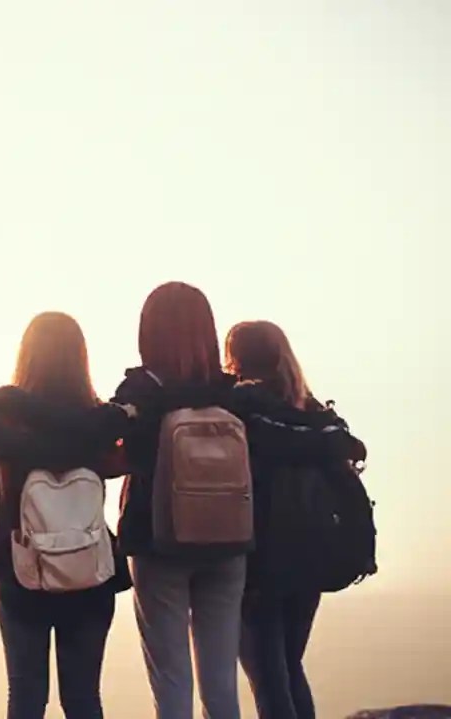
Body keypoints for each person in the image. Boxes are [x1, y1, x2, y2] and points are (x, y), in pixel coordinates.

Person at [0, 312, 133, 719]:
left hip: (19, 563)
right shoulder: (100, 420)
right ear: (80, 358)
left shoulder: (5, 414)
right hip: (89, 566)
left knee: (26, 696)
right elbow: (121, 461)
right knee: (83, 698)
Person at [109, 282, 247, 719]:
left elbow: (117, 452)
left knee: (171, 680)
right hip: (228, 542)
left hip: (158, 539)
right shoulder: (232, 393)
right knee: (221, 682)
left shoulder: (141, 392)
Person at [225, 320, 367, 719]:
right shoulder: (315, 413)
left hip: (261, 558)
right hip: (313, 554)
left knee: (268, 678)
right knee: (288, 667)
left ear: (235, 358)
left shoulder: (241, 410)